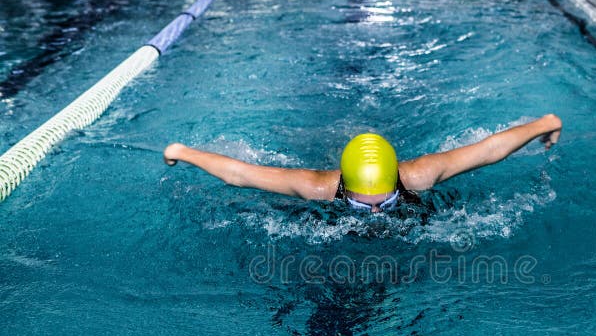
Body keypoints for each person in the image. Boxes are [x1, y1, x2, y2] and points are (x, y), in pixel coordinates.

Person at [163, 113, 562, 212]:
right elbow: (241, 174)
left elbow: (489, 150)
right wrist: (183, 152)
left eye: (385, 204)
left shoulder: (419, 174)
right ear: (345, 190)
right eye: (360, 205)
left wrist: (545, 123)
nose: (373, 215)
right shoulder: (316, 185)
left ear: (396, 184)